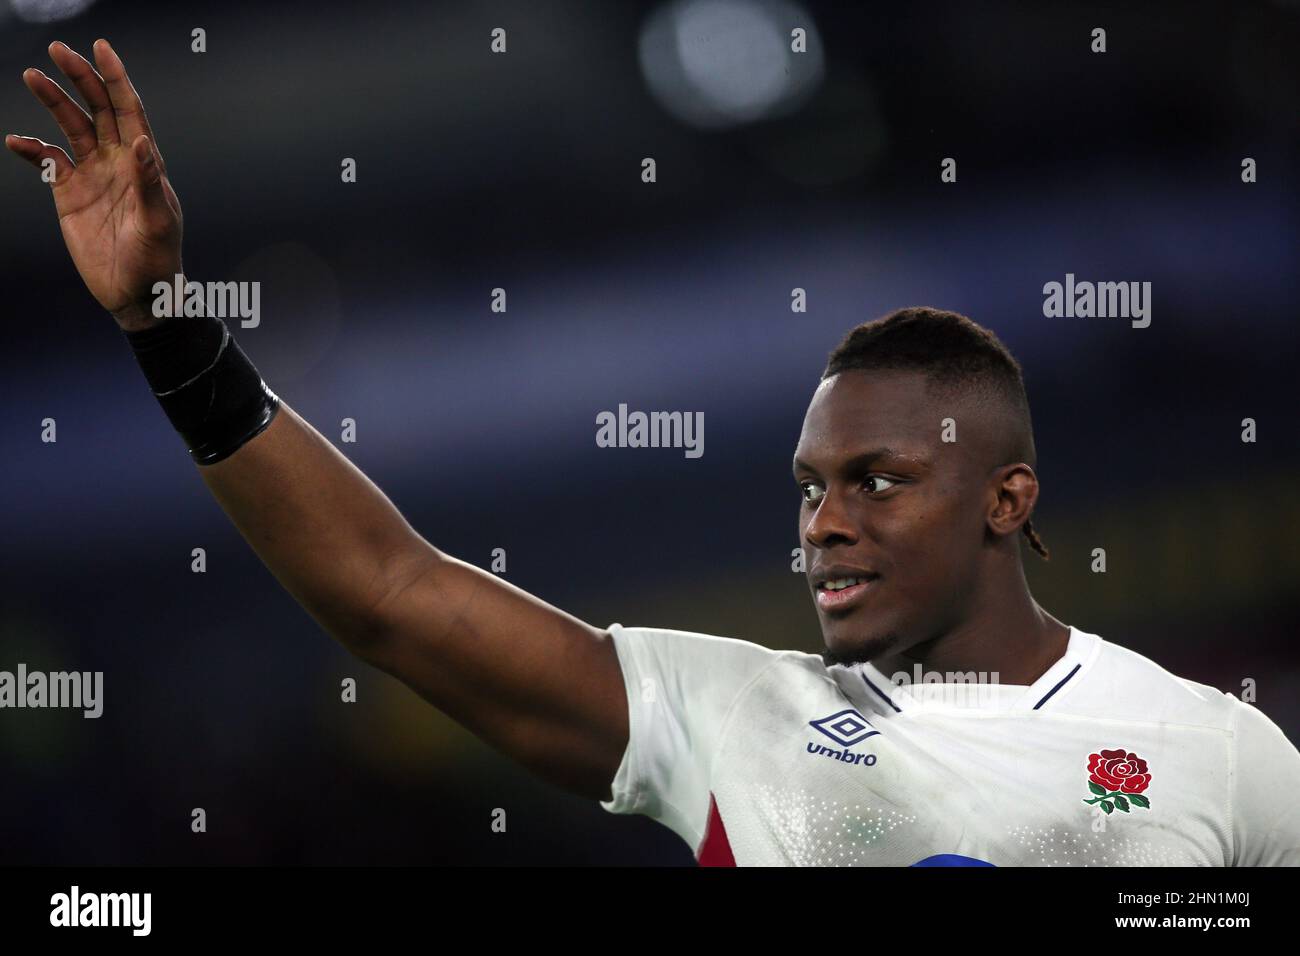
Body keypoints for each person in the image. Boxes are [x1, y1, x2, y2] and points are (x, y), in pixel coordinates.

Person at [9, 39, 1299, 866]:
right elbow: (391, 597)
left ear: (1007, 500)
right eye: (809, 490)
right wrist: (164, 323)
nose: (825, 523)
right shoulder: (734, 713)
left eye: (879, 482)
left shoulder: (1220, 758)